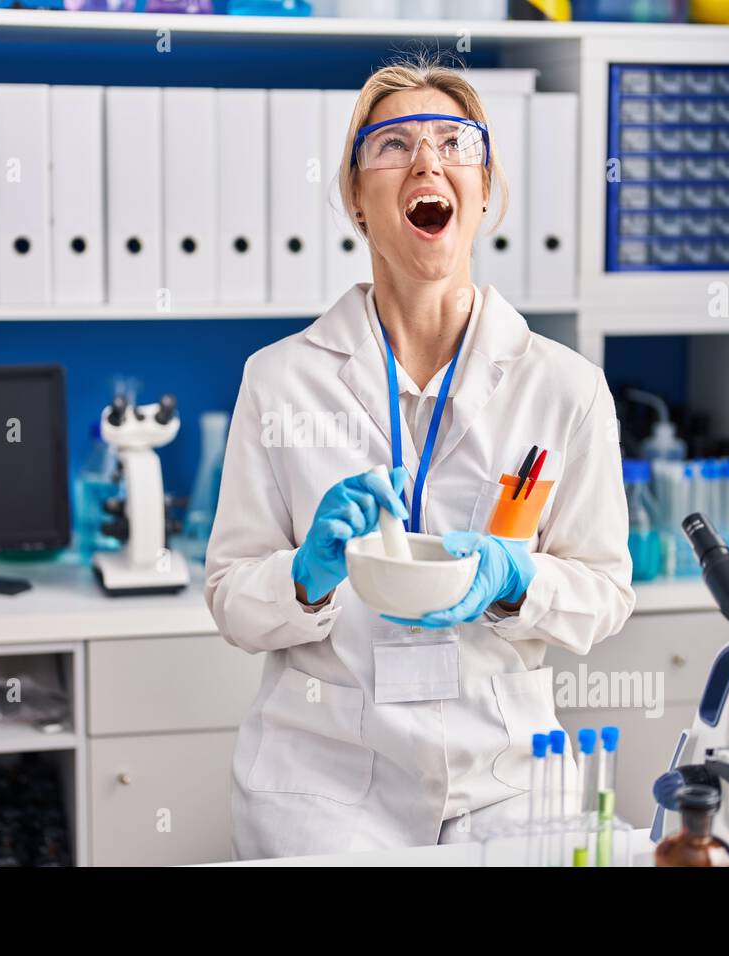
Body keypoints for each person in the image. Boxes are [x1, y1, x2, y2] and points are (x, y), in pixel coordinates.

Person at [205, 54, 635, 860]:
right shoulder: (280, 380)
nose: (428, 161)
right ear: (358, 200)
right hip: (322, 779)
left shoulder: (566, 388)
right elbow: (231, 595)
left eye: (453, 143)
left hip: (504, 776)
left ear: (482, 194)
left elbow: (606, 593)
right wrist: (306, 571)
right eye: (394, 145)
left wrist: (517, 580)